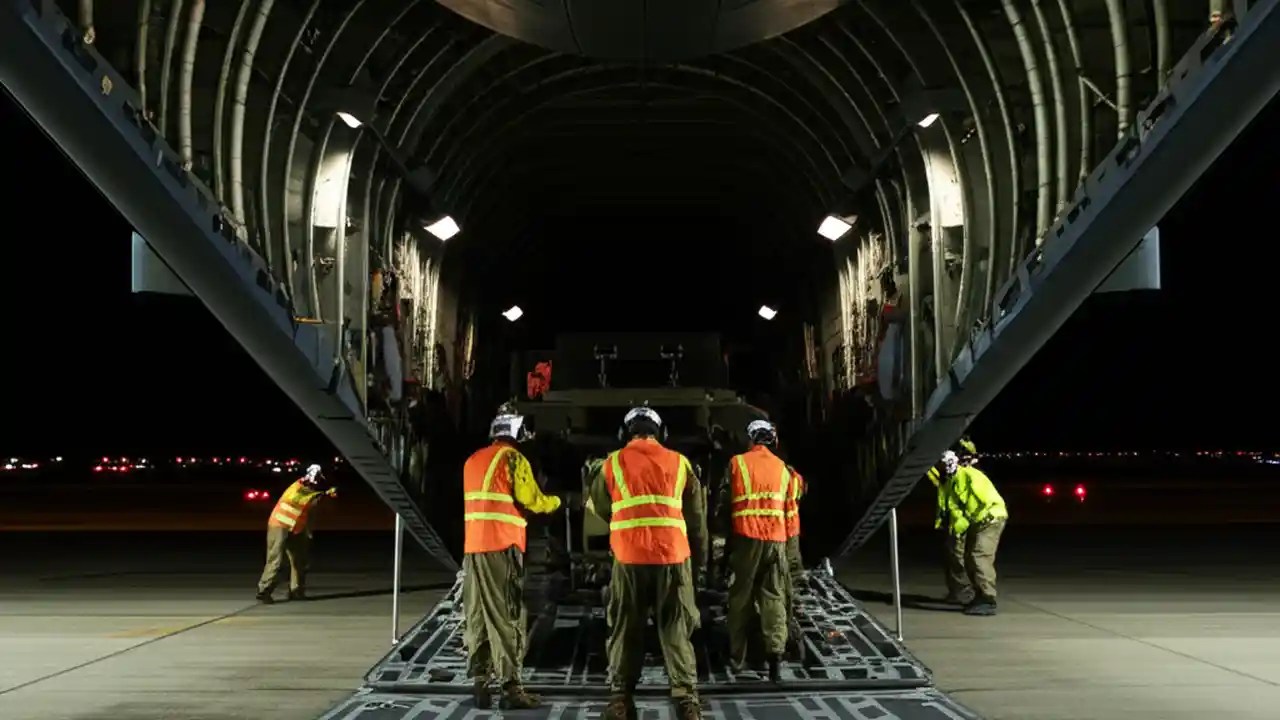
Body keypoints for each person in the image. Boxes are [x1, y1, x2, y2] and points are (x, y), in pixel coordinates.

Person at [588, 406, 708, 720]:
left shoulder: (610, 464)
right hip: (672, 556)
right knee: (675, 627)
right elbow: (697, 520)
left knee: (626, 626)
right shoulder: (680, 464)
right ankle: (686, 700)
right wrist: (701, 563)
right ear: (661, 433)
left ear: (624, 433)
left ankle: (620, 700)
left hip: (628, 557)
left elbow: (601, 508)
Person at [462, 406, 562, 709]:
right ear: (516, 434)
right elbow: (533, 499)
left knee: (478, 614)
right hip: (501, 547)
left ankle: (481, 683)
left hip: (474, 548)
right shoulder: (512, 459)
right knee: (507, 614)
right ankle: (511, 687)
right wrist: (557, 501)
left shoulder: (473, 461)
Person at [720, 419, 793, 680]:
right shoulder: (783, 468)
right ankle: (774, 659)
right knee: (773, 596)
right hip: (776, 539)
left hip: (746, 537)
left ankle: (737, 659)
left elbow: (724, 503)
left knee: (740, 597)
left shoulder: (737, 463)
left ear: (750, 439)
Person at [936, 448, 1008, 616]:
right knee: (968, 557)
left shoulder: (970, 475)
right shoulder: (949, 481)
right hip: (977, 520)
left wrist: (967, 520)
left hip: (990, 518)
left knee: (978, 555)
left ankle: (988, 599)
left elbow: (985, 501)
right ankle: (979, 594)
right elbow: (953, 509)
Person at [256, 464, 337, 603]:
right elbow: (301, 498)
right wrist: (322, 492)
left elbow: (310, 512)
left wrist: (308, 531)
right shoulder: (297, 487)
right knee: (275, 559)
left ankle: (296, 591)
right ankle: (264, 590)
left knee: (299, 560)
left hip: (296, 528)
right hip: (279, 525)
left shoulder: (312, 493)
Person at [928, 436, 978, 605]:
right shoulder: (945, 473)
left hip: (961, 521)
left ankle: (966, 592)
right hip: (951, 519)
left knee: (958, 557)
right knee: (951, 557)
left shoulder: (963, 471)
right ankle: (957, 591)